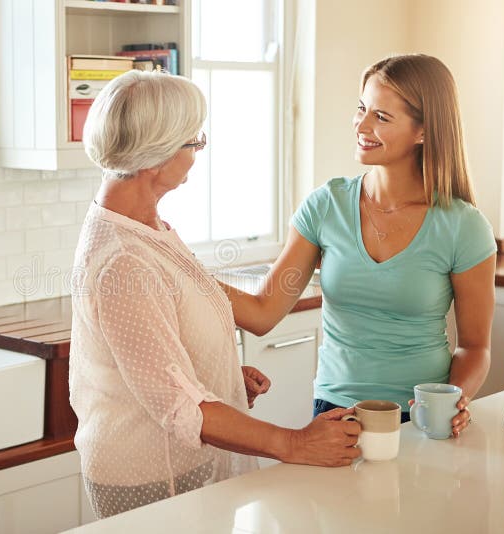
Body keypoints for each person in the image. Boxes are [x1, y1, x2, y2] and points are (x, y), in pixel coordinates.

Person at [69, 70, 361, 519]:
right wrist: (295, 442)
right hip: (151, 478)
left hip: (184, 467)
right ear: (155, 157)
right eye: (193, 141)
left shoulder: (149, 227)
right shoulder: (123, 261)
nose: (198, 151)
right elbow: (182, 407)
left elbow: (161, 354)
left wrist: (216, 371)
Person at [218, 54, 496, 436]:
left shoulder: (463, 226)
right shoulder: (326, 207)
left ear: (423, 131)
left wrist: (453, 398)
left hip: (422, 418)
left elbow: (475, 347)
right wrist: (178, 269)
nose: (361, 125)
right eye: (362, 108)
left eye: (381, 117)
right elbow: (263, 311)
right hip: (335, 413)